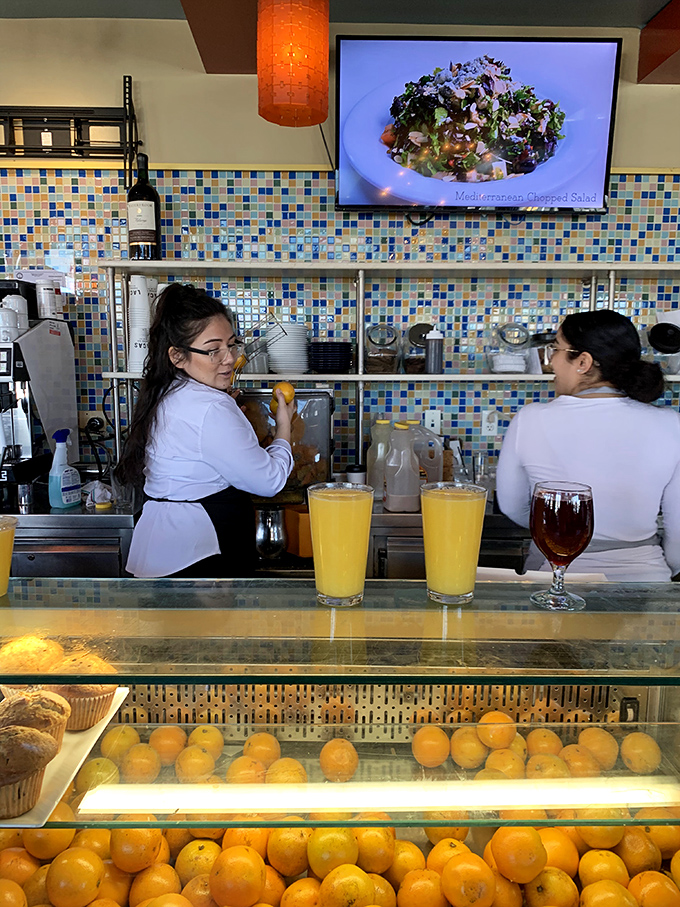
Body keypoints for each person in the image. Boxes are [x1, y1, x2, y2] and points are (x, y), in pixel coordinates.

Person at [115, 283, 294, 578]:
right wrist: (284, 425)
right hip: (198, 554)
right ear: (177, 356)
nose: (230, 358)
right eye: (213, 350)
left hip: (161, 546)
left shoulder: (167, 391)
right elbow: (269, 480)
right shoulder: (211, 406)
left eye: (232, 344)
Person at [496, 309, 680, 581]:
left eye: (556, 349)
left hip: (555, 577)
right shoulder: (671, 423)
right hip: (646, 579)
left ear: (583, 361)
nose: (551, 361)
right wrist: (667, 569)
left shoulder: (530, 419)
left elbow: (513, 507)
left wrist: (560, 536)